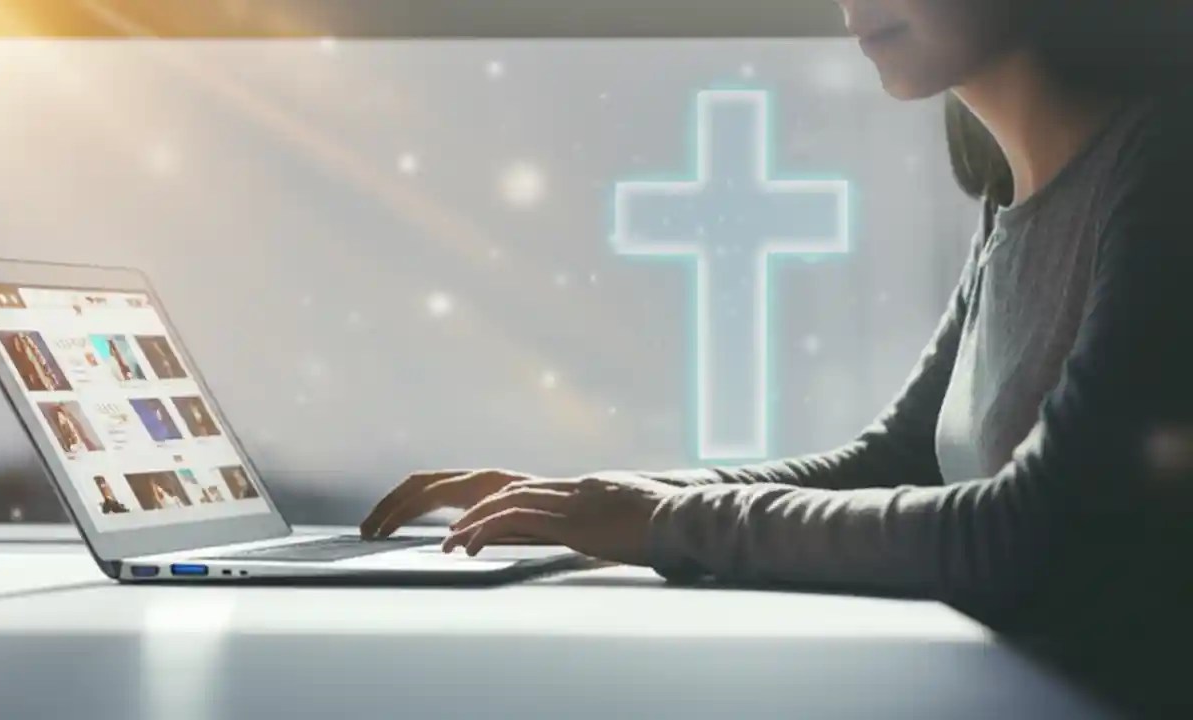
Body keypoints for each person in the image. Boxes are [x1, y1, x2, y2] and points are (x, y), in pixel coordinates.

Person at [363, 1, 1192, 712]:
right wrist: (586, 506)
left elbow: (1030, 531)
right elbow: (894, 460)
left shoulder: (1163, 172)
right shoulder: (1015, 201)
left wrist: (663, 521)